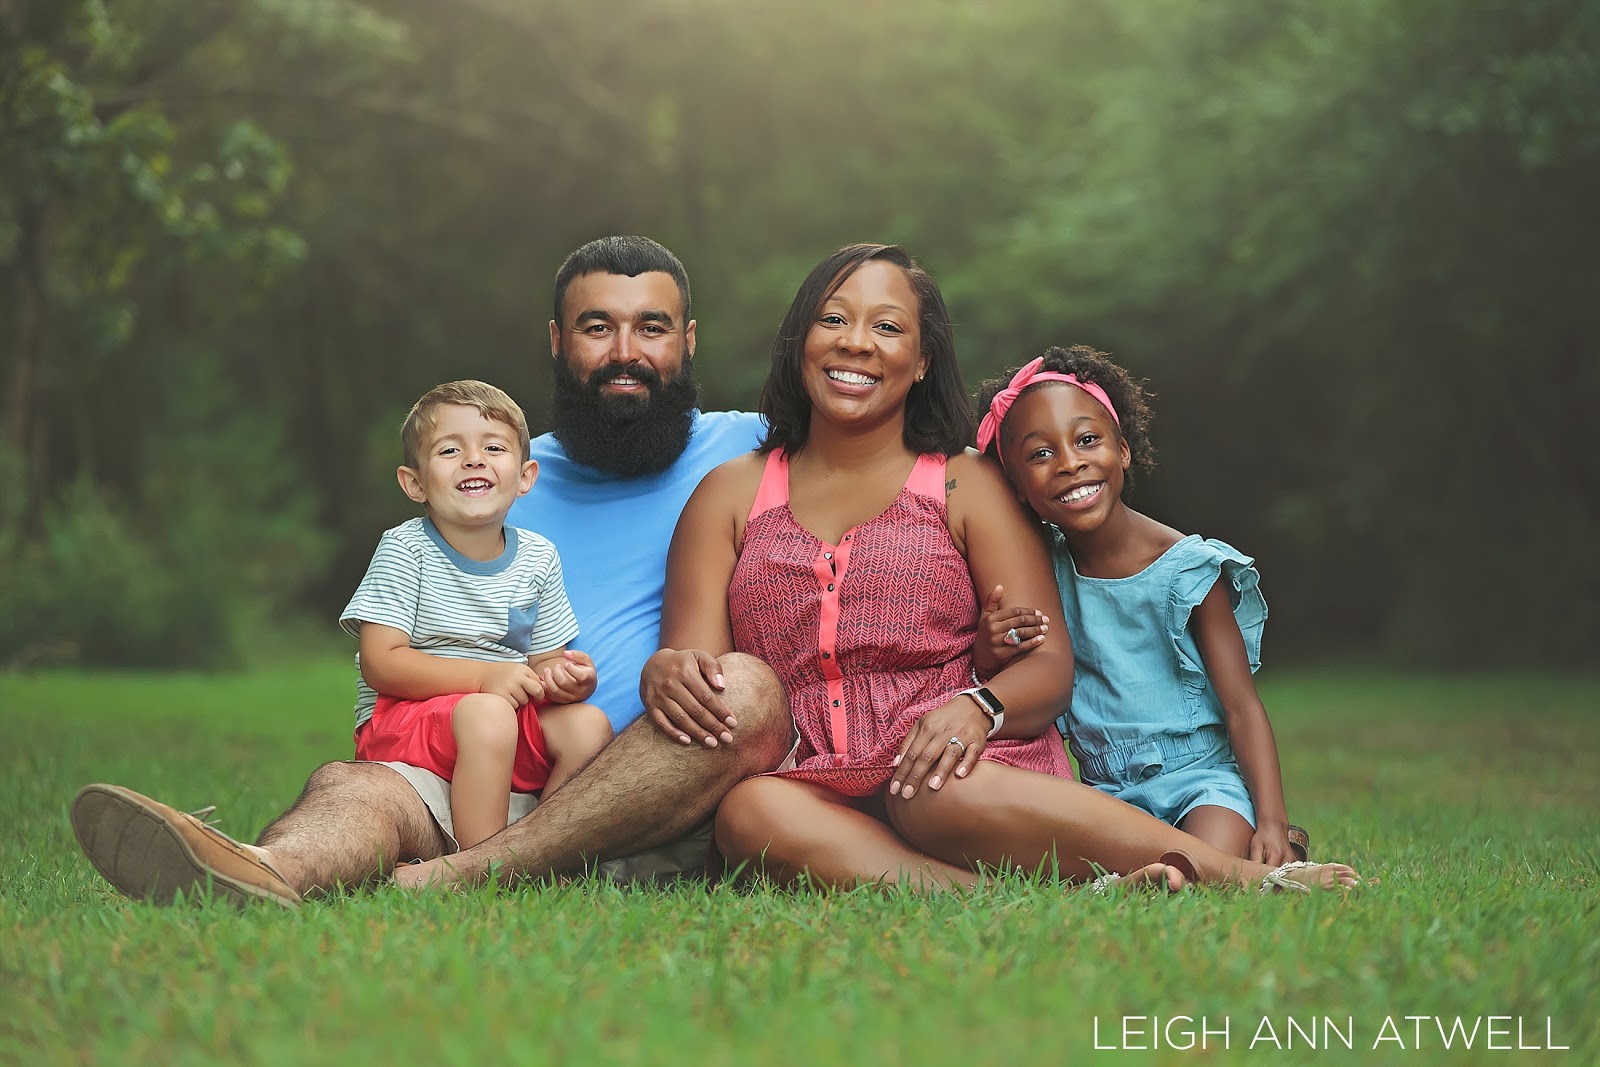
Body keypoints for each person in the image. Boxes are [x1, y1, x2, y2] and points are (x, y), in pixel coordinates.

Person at [70, 236, 789, 907]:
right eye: (597, 327)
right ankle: (256, 871)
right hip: (493, 777)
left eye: (652, 327)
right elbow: (401, 646)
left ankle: (478, 871)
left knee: (748, 690)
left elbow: (887, 458)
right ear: (556, 342)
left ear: (688, 341)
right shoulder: (494, 477)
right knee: (360, 791)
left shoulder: (756, 450)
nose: (624, 352)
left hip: (660, 786)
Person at [646, 243, 1362, 893]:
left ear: (922, 359)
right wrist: (672, 670)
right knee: (748, 809)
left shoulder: (964, 483)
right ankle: (1037, 902)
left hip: (967, 774)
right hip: (811, 791)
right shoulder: (733, 491)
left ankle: (1239, 876)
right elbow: (702, 673)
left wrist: (977, 706)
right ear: (801, 339)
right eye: (833, 319)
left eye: (888, 327)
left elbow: (1048, 668)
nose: (856, 342)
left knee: (927, 788)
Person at [973, 344, 1300, 865]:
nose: (1070, 463)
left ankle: (1251, 849)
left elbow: (1242, 706)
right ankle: (1159, 870)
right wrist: (990, 652)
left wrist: (1273, 822)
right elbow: (1019, 676)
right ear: (1013, 485)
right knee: (1075, 859)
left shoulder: (1187, 569)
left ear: (1122, 450)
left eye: (1086, 440)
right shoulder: (1038, 571)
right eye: (1040, 454)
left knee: (1205, 857)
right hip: (1102, 793)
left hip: (1201, 780)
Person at [343, 379, 612, 850]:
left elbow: (544, 660)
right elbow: (380, 663)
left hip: (497, 715)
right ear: (415, 482)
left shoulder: (538, 557)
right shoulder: (406, 551)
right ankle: (484, 864)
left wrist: (566, 677)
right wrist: (486, 679)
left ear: (525, 476)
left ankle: (543, 845)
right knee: (488, 714)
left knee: (589, 725)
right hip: (406, 721)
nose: (474, 459)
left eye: (493, 447)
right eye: (450, 450)